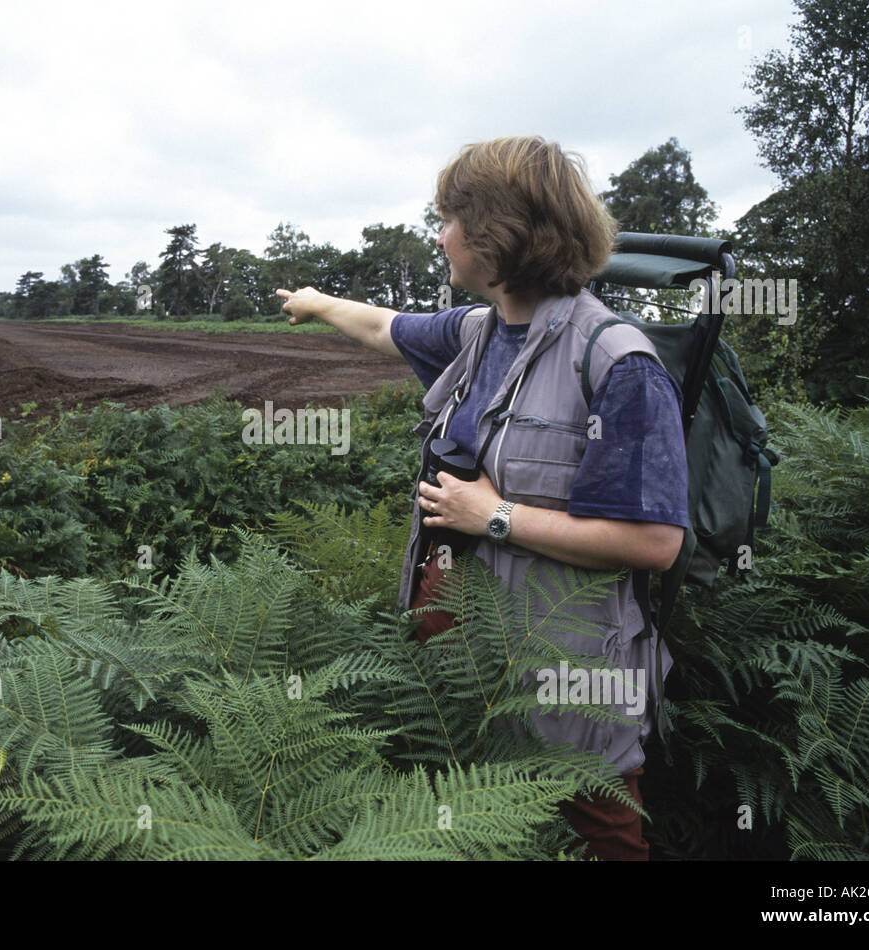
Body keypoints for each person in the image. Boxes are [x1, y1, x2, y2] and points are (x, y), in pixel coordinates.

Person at [276, 135, 690, 860]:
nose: (441, 236)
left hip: (564, 669)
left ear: (498, 232)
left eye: (452, 218)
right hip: (464, 662)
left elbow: (655, 544)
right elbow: (380, 326)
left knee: (599, 824)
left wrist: (493, 517)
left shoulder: (618, 363)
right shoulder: (479, 332)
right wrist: (314, 302)